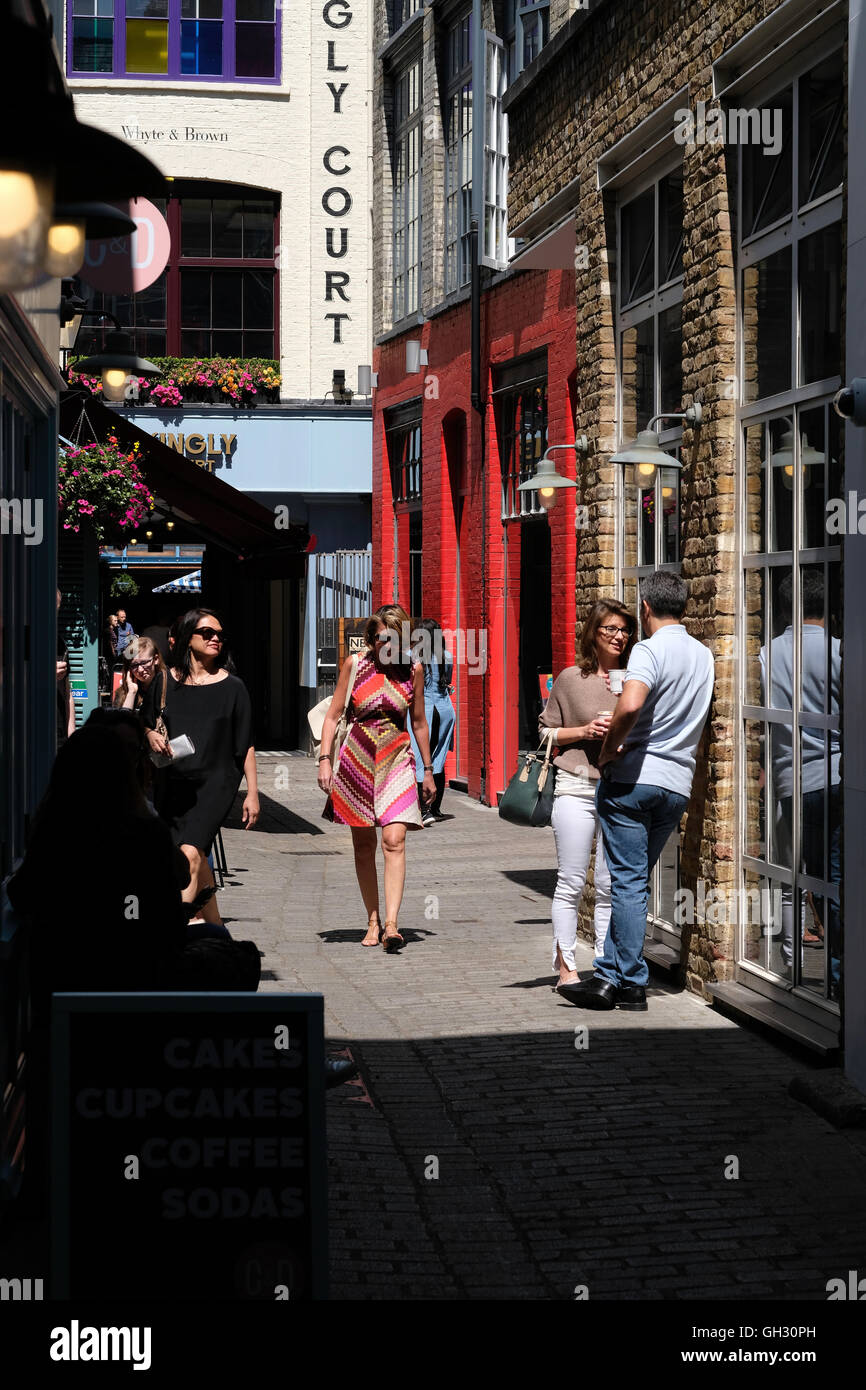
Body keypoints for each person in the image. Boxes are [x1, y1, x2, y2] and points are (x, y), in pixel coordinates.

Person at [558, 571, 714, 1011]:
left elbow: (629, 704)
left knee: (626, 884)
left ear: (645, 607)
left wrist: (608, 753)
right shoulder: (704, 655)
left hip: (633, 780)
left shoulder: (648, 649)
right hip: (677, 784)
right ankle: (618, 979)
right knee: (633, 884)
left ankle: (622, 982)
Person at [319, 604, 436, 951]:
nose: (391, 645)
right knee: (364, 845)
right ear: (372, 637)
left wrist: (428, 770)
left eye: (398, 639)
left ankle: (391, 924)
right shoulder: (355, 665)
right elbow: (333, 715)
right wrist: (325, 760)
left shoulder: (412, 668)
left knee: (394, 839)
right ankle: (371, 919)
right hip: (358, 758)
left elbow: (417, 722)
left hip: (397, 757)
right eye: (385, 638)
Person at [142, 607, 259, 930]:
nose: (215, 638)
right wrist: (151, 734)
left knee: (190, 855)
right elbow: (145, 724)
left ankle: (169, 937)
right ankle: (216, 929)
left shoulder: (233, 688)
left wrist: (252, 793)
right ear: (187, 639)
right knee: (193, 858)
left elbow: (245, 743)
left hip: (215, 785)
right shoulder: (164, 681)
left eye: (220, 634)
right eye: (207, 633)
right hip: (173, 783)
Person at [540, 600, 637, 987]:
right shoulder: (569, 679)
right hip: (576, 786)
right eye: (610, 629)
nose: (619, 637)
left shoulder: (637, 678)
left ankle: (604, 964)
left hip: (621, 789)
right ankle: (566, 967)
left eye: (625, 630)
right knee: (572, 881)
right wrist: (584, 732)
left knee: (612, 885)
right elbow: (546, 733)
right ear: (592, 635)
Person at [760, 570, 841, 995]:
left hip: (789, 781)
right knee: (834, 877)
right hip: (836, 778)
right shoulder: (840, 653)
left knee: (793, 876)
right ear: (828, 608)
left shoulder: (765, 655)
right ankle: (837, 974)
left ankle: (792, 968)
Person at [409, 618, 456, 825]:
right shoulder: (447, 656)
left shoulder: (411, 657)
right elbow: (447, 681)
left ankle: (424, 810)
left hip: (424, 712)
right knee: (438, 758)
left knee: (421, 758)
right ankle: (435, 809)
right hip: (445, 712)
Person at [113, 635, 166, 714]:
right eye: (134, 665)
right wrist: (132, 692)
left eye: (144, 662)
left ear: (156, 659)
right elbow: (121, 724)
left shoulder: (169, 685)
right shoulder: (123, 693)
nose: (140, 669)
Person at [56, 588, 75, 747]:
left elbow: (68, 693)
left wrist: (72, 735)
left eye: (57, 609)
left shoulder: (60, 644)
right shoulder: (20, 639)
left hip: (60, 736)